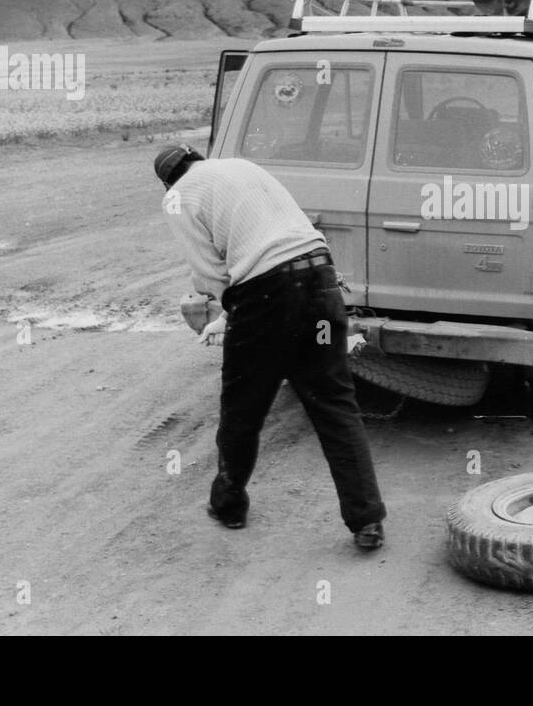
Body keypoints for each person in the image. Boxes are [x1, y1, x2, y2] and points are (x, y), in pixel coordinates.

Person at [153, 144, 386, 550]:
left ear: (168, 181)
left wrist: (230, 314)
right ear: (198, 161)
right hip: (321, 286)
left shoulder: (177, 197)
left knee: (243, 406)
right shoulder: (241, 167)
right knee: (334, 404)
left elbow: (211, 271)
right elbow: (272, 240)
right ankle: (367, 521)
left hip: (267, 301)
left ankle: (228, 506)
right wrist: (235, 313)